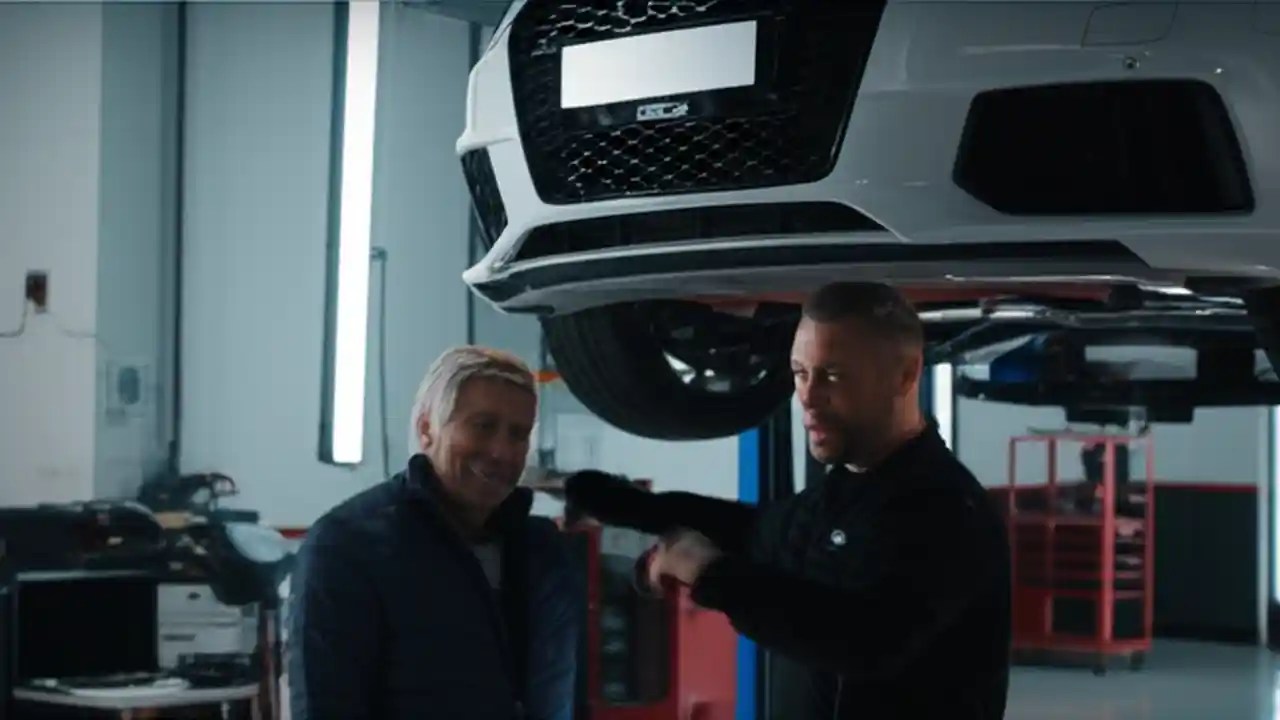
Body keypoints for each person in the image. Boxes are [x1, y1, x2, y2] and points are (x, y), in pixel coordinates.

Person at [569, 282, 1011, 720]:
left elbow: (870, 641)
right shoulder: (847, 490)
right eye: (801, 373)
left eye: (833, 375)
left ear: (905, 375)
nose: (808, 398)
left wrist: (709, 572)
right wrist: (633, 507)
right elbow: (763, 531)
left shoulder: (947, 509)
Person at [287, 346, 581, 720]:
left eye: (518, 434)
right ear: (427, 429)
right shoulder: (349, 547)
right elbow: (324, 705)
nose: (502, 451)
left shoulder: (541, 549)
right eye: (484, 426)